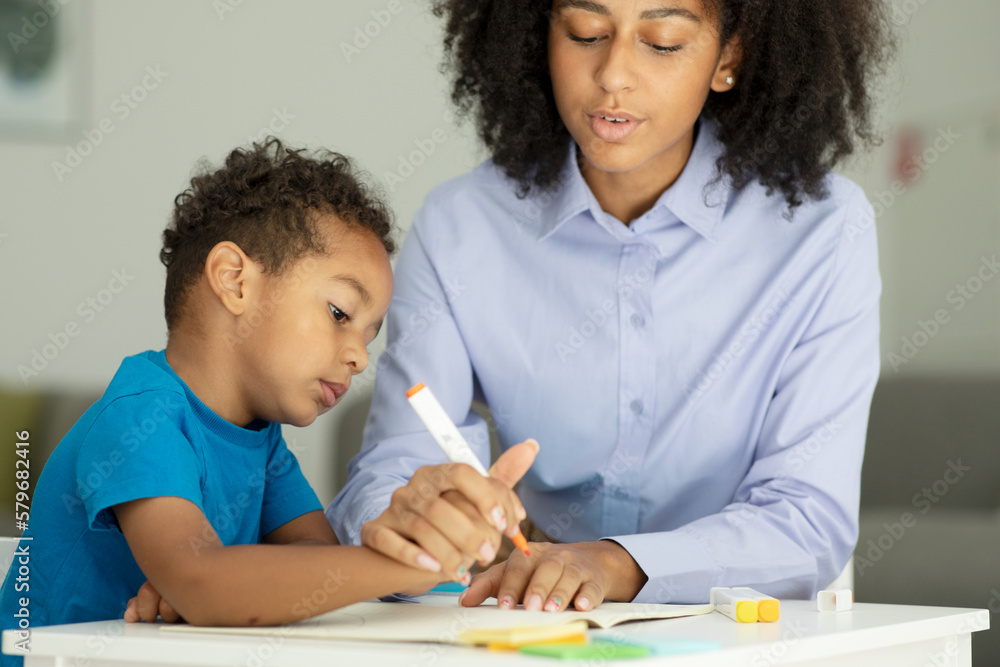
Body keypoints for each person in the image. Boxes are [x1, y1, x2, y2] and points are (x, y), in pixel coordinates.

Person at [327, 0, 893, 614]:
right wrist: (409, 515)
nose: (613, 75)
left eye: (664, 42)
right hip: (542, 626)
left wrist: (610, 561)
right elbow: (399, 459)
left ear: (728, 56)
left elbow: (805, 520)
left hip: (748, 628)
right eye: (586, 32)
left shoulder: (821, 232)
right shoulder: (461, 228)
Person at [0, 138, 537, 665]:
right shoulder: (141, 416)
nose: (358, 358)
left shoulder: (261, 438)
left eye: (370, 337)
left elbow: (316, 561)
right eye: (339, 314)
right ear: (235, 281)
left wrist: (224, 587)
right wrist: (418, 562)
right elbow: (203, 581)